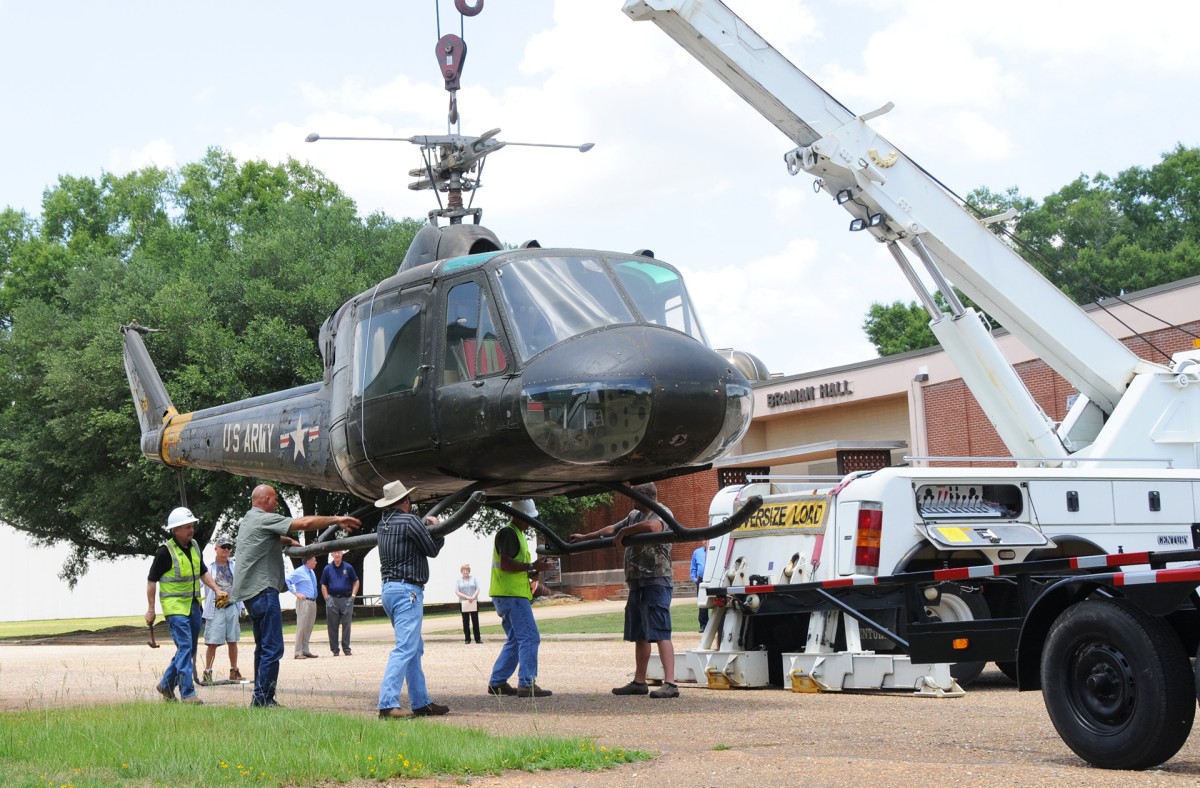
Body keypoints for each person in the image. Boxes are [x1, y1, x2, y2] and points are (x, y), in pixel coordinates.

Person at [231, 484, 361, 708]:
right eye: (275, 501)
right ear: (268, 499)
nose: (277, 506)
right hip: (264, 590)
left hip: (251, 593)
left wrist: (288, 541)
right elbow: (304, 523)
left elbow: (267, 538)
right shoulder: (263, 518)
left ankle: (259, 697)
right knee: (273, 647)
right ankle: (263, 700)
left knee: (262, 647)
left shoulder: (249, 520)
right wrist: (336, 519)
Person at [570, 482, 679, 699]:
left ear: (646, 496)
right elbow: (612, 529)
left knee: (660, 631)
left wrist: (627, 532)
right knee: (639, 633)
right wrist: (585, 537)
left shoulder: (662, 512)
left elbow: (655, 528)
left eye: (634, 495)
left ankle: (670, 683)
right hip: (636, 582)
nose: (631, 499)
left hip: (656, 580)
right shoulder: (634, 515)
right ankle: (640, 681)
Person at [374, 481, 451, 719]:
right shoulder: (410, 521)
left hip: (389, 590)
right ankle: (387, 704)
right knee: (405, 649)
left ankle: (421, 702)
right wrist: (439, 529)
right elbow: (432, 549)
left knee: (413, 649)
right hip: (408, 591)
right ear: (406, 501)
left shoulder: (382, 524)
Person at [145, 506, 224, 704]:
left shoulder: (195, 546)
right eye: (187, 527)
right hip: (175, 609)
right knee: (186, 647)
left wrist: (217, 589)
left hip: (193, 606)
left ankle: (165, 684)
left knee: (186, 649)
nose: (191, 530)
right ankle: (188, 694)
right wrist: (151, 609)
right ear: (175, 530)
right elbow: (151, 581)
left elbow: (203, 572)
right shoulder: (165, 552)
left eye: (192, 526)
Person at [487, 507, 555, 698]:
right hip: (512, 596)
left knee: (516, 640)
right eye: (529, 518)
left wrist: (533, 570)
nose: (531, 523)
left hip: (506, 594)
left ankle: (498, 682)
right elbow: (506, 564)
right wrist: (533, 565)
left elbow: (512, 566)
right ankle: (526, 683)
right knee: (530, 637)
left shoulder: (515, 533)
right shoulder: (509, 533)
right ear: (519, 516)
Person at [200, 539, 245, 684]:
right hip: (216, 607)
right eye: (223, 547)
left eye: (229, 548)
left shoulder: (234, 565)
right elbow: (199, 583)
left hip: (232, 605)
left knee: (233, 640)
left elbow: (240, 586)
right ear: (216, 549)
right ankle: (207, 672)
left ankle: (234, 670)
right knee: (212, 642)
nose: (226, 550)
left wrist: (242, 606)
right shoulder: (208, 567)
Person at [321, 550, 360, 656]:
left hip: (347, 599)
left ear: (342, 554)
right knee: (332, 626)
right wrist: (326, 598)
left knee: (347, 625)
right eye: (334, 553)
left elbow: (356, 581)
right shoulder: (327, 568)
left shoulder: (348, 567)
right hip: (332, 600)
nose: (337, 554)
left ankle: (346, 648)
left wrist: (353, 596)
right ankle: (335, 650)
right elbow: (323, 584)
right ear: (332, 555)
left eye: (339, 552)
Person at [287, 555, 320, 660]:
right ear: (308, 561)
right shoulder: (299, 571)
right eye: (314, 560)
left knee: (309, 627)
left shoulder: (311, 572)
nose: (316, 562)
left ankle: (305, 650)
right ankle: (297, 652)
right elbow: (287, 580)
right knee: (301, 627)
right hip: (304, 602)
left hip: (312, 601)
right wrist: (295, 593)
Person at [455, 564, 482, 645]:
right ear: (461, 572)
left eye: (467, 571)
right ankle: (467, 639)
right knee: (465, 621)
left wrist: (473, 596)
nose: (465, 572)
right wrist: (466, 597)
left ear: (469, 571)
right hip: (463, 602)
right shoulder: (458, 581)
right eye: (464, 571)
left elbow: (478, 589)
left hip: (473, 601)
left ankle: (478, 638)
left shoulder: (474, 578)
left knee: (475, 620)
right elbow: (457, 591)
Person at [690, 544, 709, 632]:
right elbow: (693, 567)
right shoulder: (697, 552)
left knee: (719, 601)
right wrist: (694, 579)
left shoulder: (717, 549)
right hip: (701, 580)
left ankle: (719, 625)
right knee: (702, 603)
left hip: (714, 578)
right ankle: (704, 625)